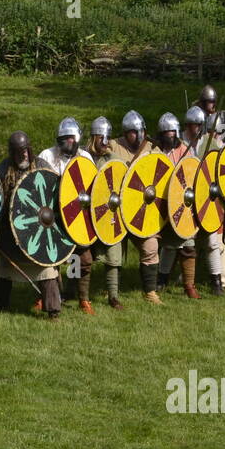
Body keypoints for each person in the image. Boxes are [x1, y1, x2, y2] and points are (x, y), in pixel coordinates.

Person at [0, 131, 59, 318]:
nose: (23, 155)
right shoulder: (4, 169)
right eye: (19, 151)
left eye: (25, 150)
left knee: (47, 271)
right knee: (4, 270)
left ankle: (53, 309)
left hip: (39, 230)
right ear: (12, 152)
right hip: (10, 232)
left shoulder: (41, 166)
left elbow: (55, 194)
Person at [37, 117, 95, 313]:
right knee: (51, 259)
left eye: (73, 138)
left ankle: (81, 297)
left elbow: (92, 187)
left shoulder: (85, 158)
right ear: (59, 138)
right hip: (52, 215)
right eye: (66, 138)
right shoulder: (47, 155)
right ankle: (46, 296)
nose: (70, 141)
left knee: (81, 258)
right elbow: (39, 183)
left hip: (77, 215)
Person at [112, 110, 163, 305]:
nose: (139, 135)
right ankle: (112, 293)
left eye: (141, 130)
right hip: (116, 209)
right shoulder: (114, 147)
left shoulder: (152, 149)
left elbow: (161, 174)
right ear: (125, 133)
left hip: (142, 210)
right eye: (134, 132)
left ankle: (150, 291)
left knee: (151, 246)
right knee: (113, 253)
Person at [178, 104, 225, 296]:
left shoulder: (212, 144)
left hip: (207, 198)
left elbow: (219, 170)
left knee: (212, 241)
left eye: (197, 125)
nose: (194, 128)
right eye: (191, 125)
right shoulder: (180, 143)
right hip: (186, 198)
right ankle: (164, 279)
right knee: (181, 241)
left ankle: (217, 282)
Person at [154, 111, 202, 299]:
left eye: (174, 132)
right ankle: (161, 279)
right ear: (161, 134)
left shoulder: (185, 150)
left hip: (181, 203)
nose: (172, 136)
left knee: (188, 243)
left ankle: (189, 285)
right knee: (167, 245)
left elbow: (193, 172)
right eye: (168, 133)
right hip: (159, 204)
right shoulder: (155, 151)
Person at [87, 116, 125, 309]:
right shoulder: (83, 158)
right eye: (101, 137)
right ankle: (74, 290)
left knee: (113, 250)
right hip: (85, 213)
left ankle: (113, 295)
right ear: (94, 137)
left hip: (107, 213)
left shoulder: (114, 160)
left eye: (107, 137)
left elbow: (123, 184)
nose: (105, 141)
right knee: (80, 254)